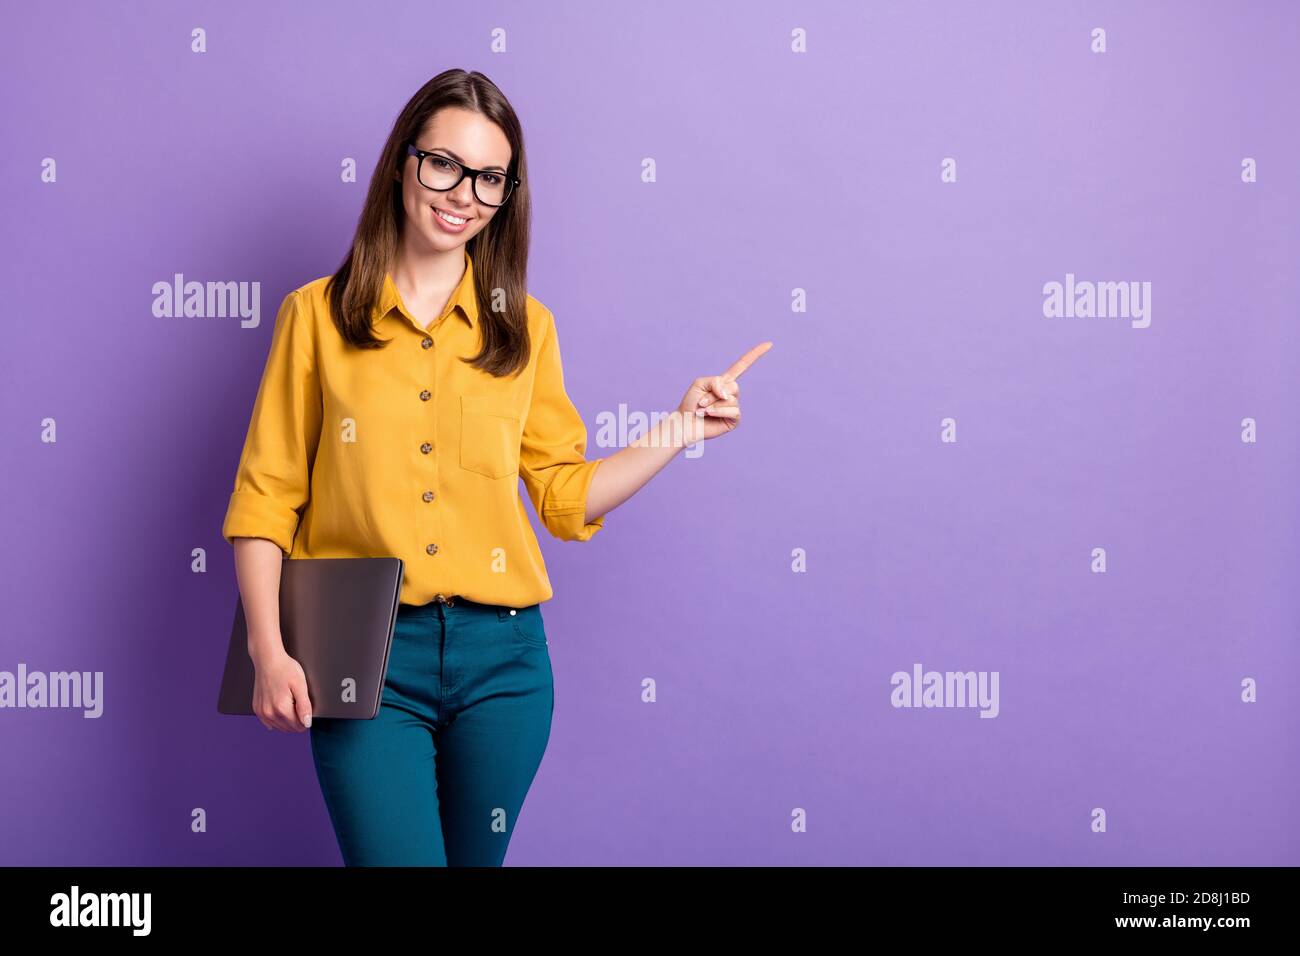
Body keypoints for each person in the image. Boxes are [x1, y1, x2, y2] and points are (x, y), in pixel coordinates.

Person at [220, 68, 771, 866]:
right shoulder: (315, 316)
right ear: (402, 163)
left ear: (508, 193)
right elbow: (266, 498)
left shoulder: (526, 329)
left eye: (489, 178)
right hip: (365, 655)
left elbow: (562, 494)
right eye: (444, 164)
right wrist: (269, 654)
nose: (463, 194)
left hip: (504, 665)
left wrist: (681, 428)